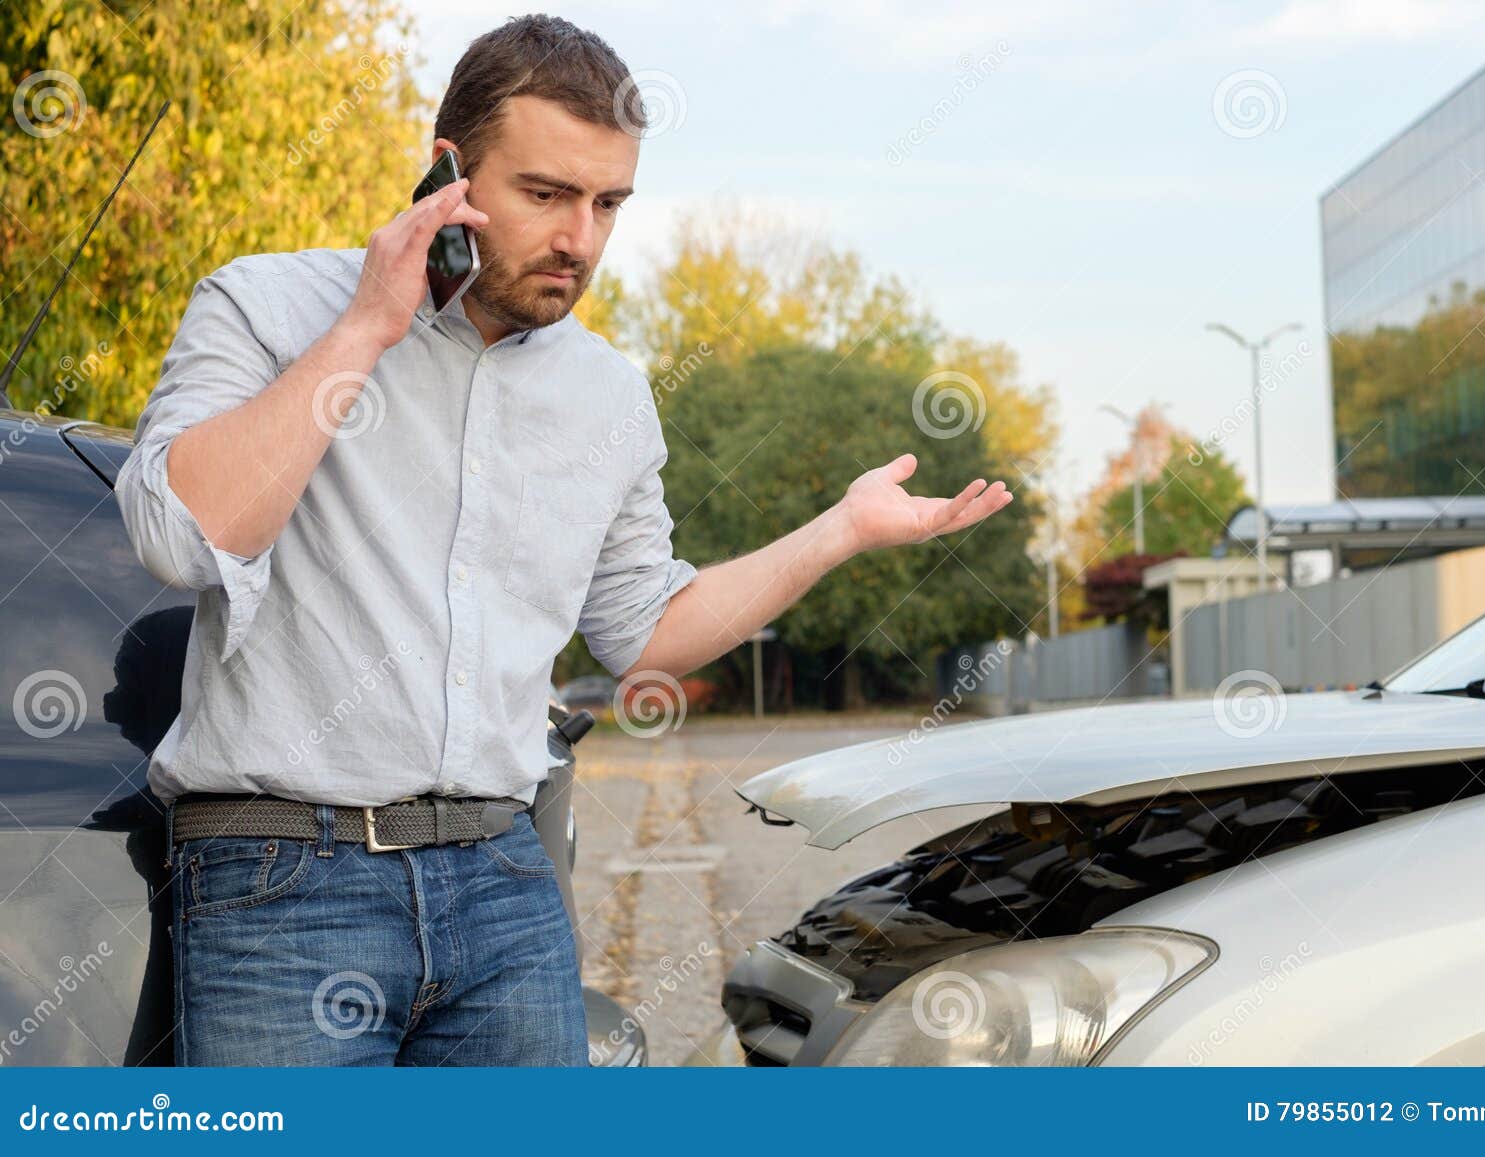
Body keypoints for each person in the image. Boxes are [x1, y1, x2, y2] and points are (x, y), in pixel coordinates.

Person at [115, 13, 1012, 1067]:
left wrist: (843, 529)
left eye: (607, 203)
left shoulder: (611, 396)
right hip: (284, 883)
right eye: (544, 194)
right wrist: (366, 327)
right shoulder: (266, 305)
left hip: (503, 882)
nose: (578, 238)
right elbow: (185, 536)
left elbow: (644, 634)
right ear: (448, 173)